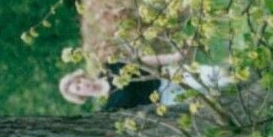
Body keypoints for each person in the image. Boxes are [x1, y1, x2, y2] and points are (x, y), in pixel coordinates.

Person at [58, 56, 232, 112]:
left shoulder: (109, 67)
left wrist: (171, 57)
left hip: (166, 75)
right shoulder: (110, 108)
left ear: (82, 76)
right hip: (165, 99)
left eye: (79, 81)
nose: (83, 85)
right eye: (78, 88)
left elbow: (139, 60)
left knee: (214, 75)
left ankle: (240, 71)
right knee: (212, 100)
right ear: (81, 96)